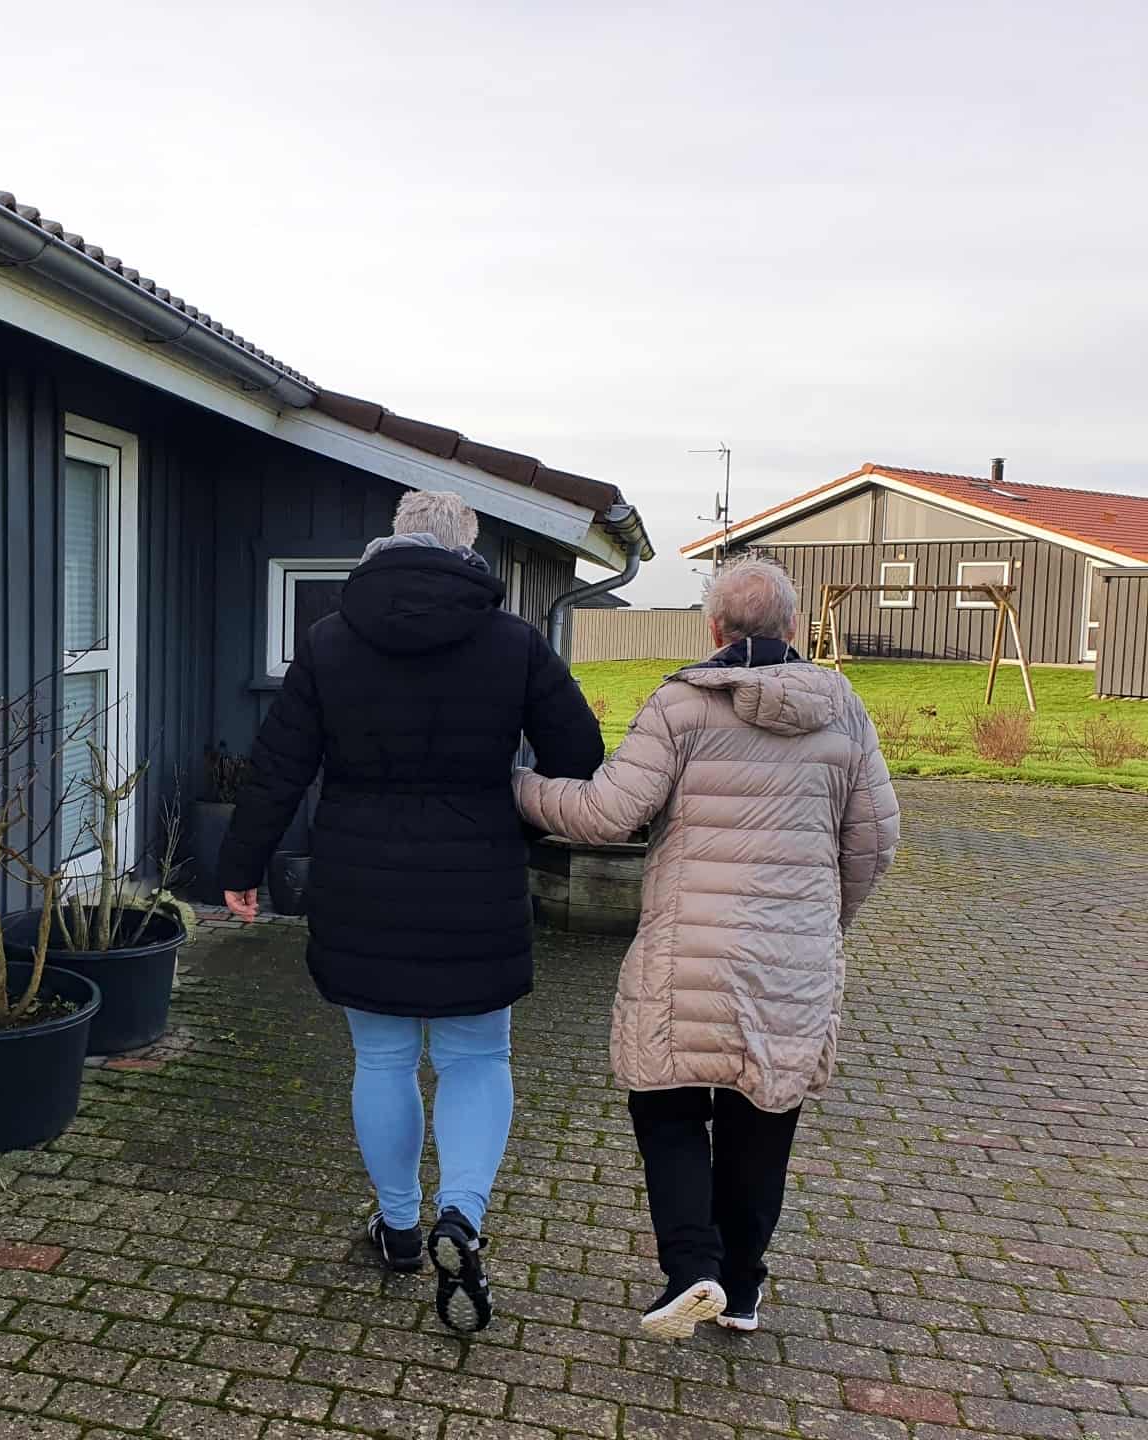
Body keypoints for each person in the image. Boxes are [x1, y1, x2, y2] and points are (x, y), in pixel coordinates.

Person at [217, 490, 604, 1333]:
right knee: (476, 1054)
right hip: (478, 881)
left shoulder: (329, 640)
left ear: (388, 543)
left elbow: (278, 764)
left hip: (363, 880)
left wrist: (241, 865)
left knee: (383, 1059)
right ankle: (460, 1215)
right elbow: (580, 753)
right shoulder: (514, 642)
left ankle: (397, 1231)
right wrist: (510, 783)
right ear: (468, 548)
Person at [514, 556, 899, 1340]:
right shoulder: (844, 711)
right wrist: (826, 925)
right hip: (790, 959)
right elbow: (875, 840)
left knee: (667, 1107)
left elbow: (607, 813)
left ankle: (693, 1269)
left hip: (690, 953)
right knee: (764, 1117)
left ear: (714, 629)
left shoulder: (682, 705)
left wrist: (518, 785)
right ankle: (744, 1290)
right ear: (793, 628)